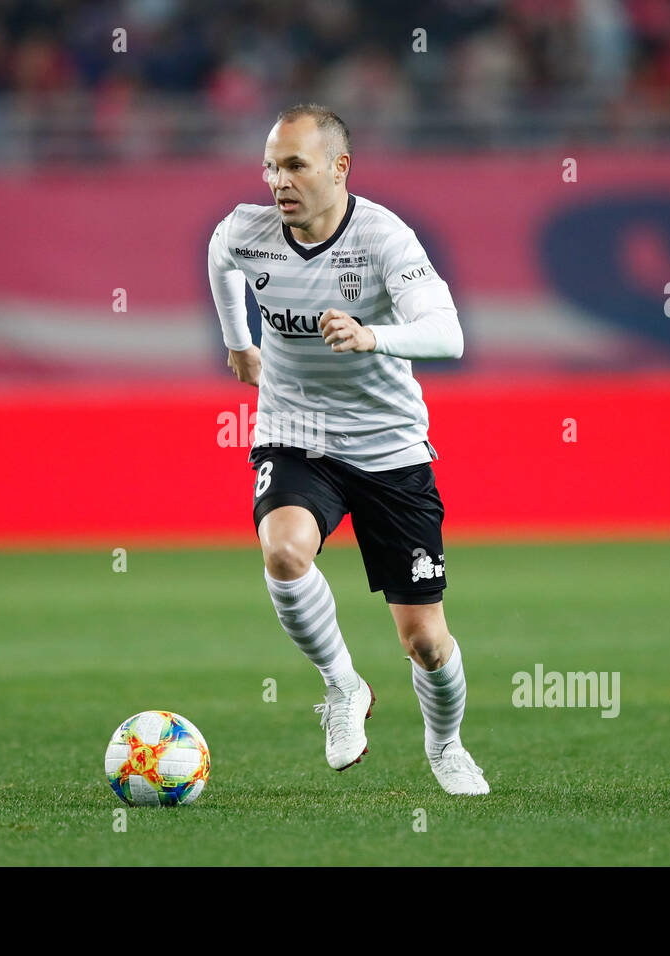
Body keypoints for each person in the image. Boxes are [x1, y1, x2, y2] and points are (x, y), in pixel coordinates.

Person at [207, 104, 489, 795]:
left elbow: (449, 335)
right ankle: (342, 687)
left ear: (339, 168)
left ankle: (445, 745)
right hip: (295, 431)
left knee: (424, 640)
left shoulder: (385, 238)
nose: (279, 179)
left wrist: (374, 336)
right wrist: (239, 342)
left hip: (390, 445)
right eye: (271, 165)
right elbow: (221, 257)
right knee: (283, 550)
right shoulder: (249, 232)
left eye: (295, 164)